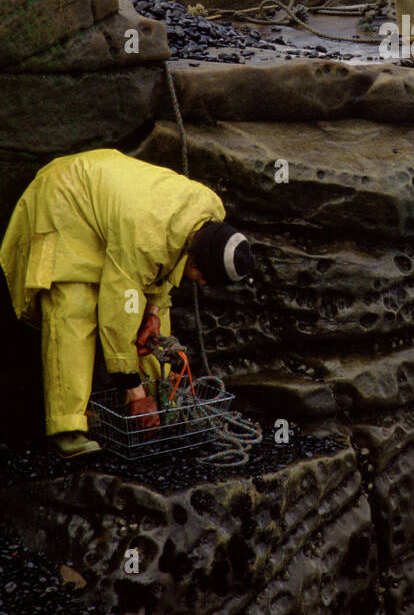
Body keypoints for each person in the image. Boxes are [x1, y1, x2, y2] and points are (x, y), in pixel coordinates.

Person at [0, 150, 253, 458]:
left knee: (151, 330)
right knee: (74, 307)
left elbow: (165, 258)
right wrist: (132, 387)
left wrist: (155, 312)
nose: (199, 283)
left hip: (114, 211)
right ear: (199, 257)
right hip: (66, 197)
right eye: (202, 275)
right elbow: (119, 308)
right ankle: (68, 428)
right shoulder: (144, 236)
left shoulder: (208, 214)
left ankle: (159, 402)